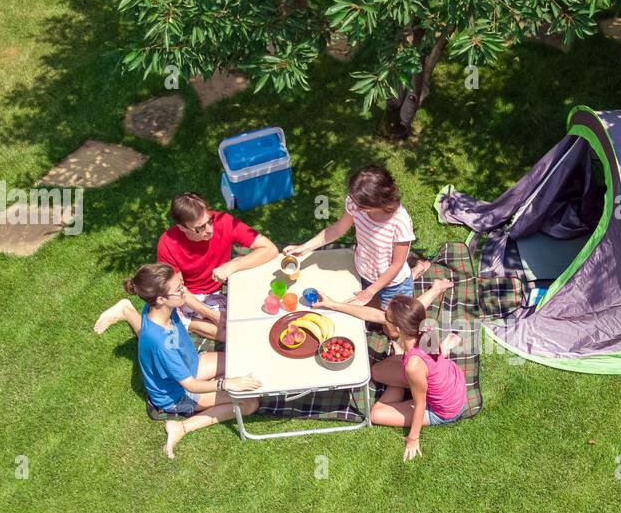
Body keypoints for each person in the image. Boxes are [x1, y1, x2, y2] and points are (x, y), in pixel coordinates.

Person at [121, 263, 262, 459]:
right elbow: (191, 385)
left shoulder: (155, 306)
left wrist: (212, 314)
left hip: (192, 364)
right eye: (178, 288)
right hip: (178, 394)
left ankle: (125, 311)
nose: (184, 290)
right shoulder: (161, 344)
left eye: (181, 283)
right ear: (161, 299)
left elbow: (184, 298)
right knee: (249, 403)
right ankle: (182, 427)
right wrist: (226, 383)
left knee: (245, 361)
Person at [95, 193, 280, 338]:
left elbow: (270, 249)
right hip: (186, 297)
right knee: (162, 339)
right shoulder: (168, 244)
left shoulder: (224, 221)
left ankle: (187, 324)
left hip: (218, 289)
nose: (209, 230)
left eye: (209, 221)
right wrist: (212, 315)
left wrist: (232, 265)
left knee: (247, 321)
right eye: (200, 228)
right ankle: (127, 310)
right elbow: (177, 291)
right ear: (182, 228)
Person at [317, 279, 464, 461]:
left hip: (443, 410)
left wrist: (413, 438)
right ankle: (444, 349)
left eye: (386, 318)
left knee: (376, 414)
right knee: (378, 372)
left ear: (396, 328)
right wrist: (331, 303)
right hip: (450, 377)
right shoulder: (424, 324)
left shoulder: (413, 365)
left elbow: (421, 404)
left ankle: (440, 351)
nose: (382, 319)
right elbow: (371, 315)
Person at [283, 165, 428, 309]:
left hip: (393, 284)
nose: (354, 207)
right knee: (370, 312)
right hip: (364, 273)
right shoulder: (356, 203)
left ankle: (425, 282)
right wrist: (304, 248)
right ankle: (415, 272)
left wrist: (371, 291)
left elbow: (396, 265)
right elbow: (337, 229)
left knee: (392, 331)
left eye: (360, 206)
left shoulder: (399, 222)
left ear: (377, 204)